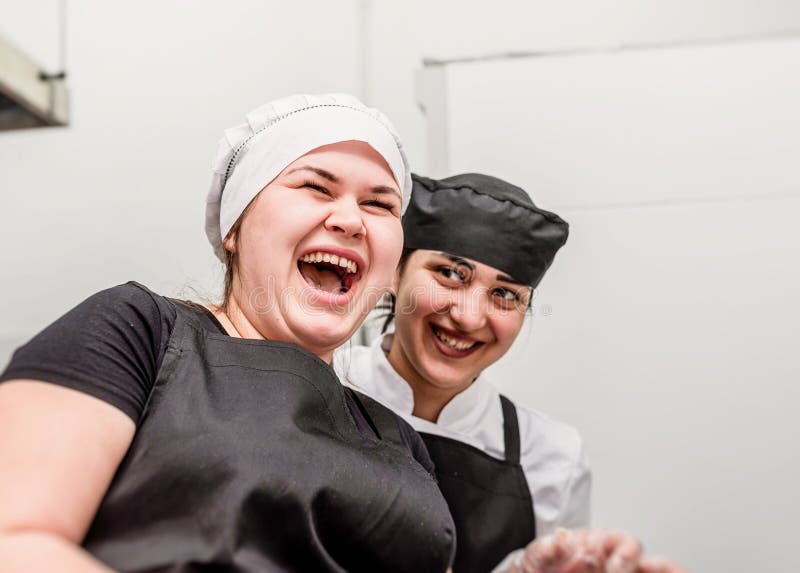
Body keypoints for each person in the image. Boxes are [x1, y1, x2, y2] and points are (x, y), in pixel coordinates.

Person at [0, 94, 456, 573]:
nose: (350, 220)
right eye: (316, 188)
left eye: (379, 203)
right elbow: (17, 538)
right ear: (235, 227)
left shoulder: (399, 442)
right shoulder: (138, 332)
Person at [335, 173, 688, 573]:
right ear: (394, 273)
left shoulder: (553, 457)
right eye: (450, 274)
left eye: (505, 294)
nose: (468, 317)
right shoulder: (317, 391)